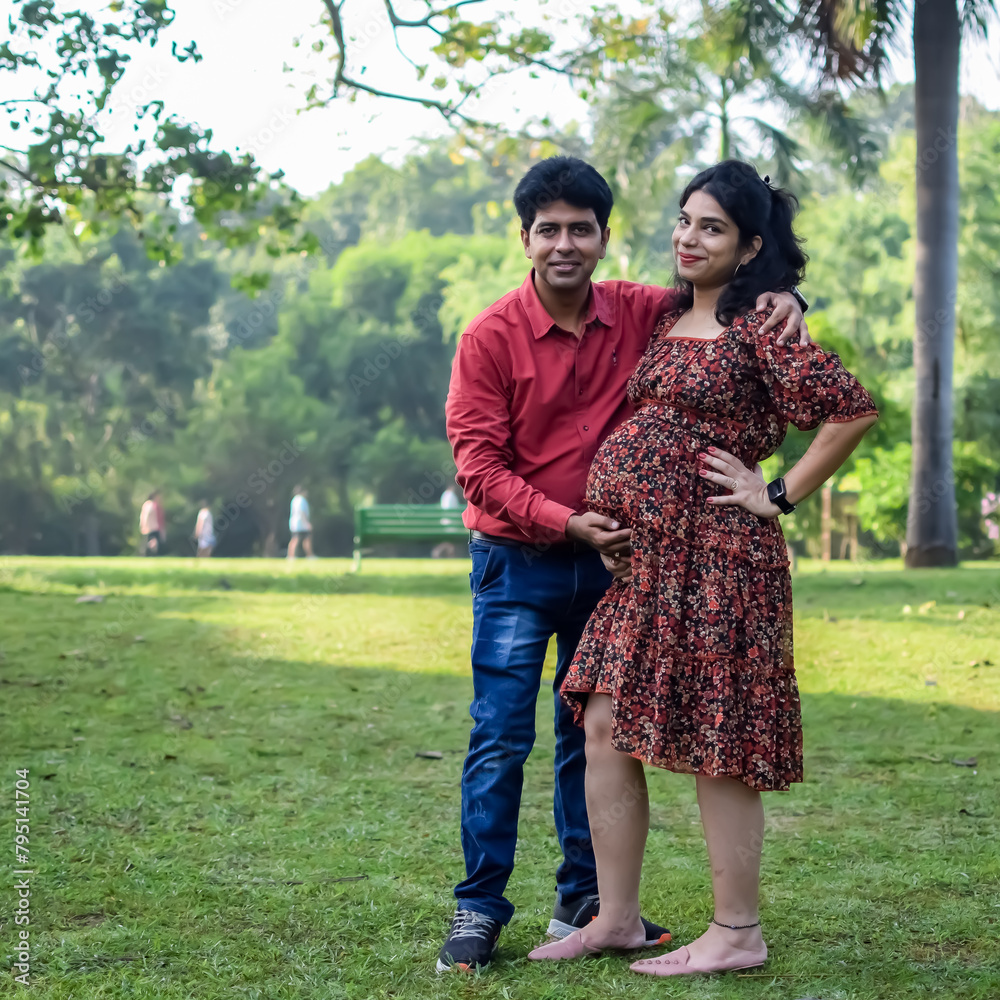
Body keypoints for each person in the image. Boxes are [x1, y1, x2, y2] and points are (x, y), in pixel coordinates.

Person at [438, 155, 809, 973]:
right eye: (548, 230)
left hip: (620, 566)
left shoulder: (644, 311)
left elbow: (728, 297)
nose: (564, 244)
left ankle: (590, 902)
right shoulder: (489, 337)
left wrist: (789, 297)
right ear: (525, 239)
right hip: (519, 562)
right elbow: (479, 468)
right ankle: (479, 905)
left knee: (596, 732)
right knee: (500, 736)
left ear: (604, 237)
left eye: (581, 229)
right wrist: (565, 520)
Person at [527, 161, 878, 976]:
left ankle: (737, 932)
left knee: (722, 736)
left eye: (712, 227)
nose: (689, 237)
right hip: (647, 567)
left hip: (721, 563)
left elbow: (850, 411)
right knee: (603, 720)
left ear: (749, 246)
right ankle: (615, 917)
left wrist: (776, 493)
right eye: (685, 220)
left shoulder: (760, 326)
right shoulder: (666, 315)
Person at [287, 486, 314, 560]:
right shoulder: (302, 500)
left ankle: (290, 556)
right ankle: (309, 555)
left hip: (294, 523)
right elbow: (302, 512)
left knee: (294, 539)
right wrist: (306, 523)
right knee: (306, 539)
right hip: (301, 523)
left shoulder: (294, 499)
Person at [139, 491, 164, 556]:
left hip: (154, 527)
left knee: (152, 541)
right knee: (152, 542)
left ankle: (151, 553)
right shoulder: (150, 504)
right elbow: (145, 516)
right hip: (151, 527)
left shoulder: (154, 505)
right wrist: (144, 525)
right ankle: (148, 553)